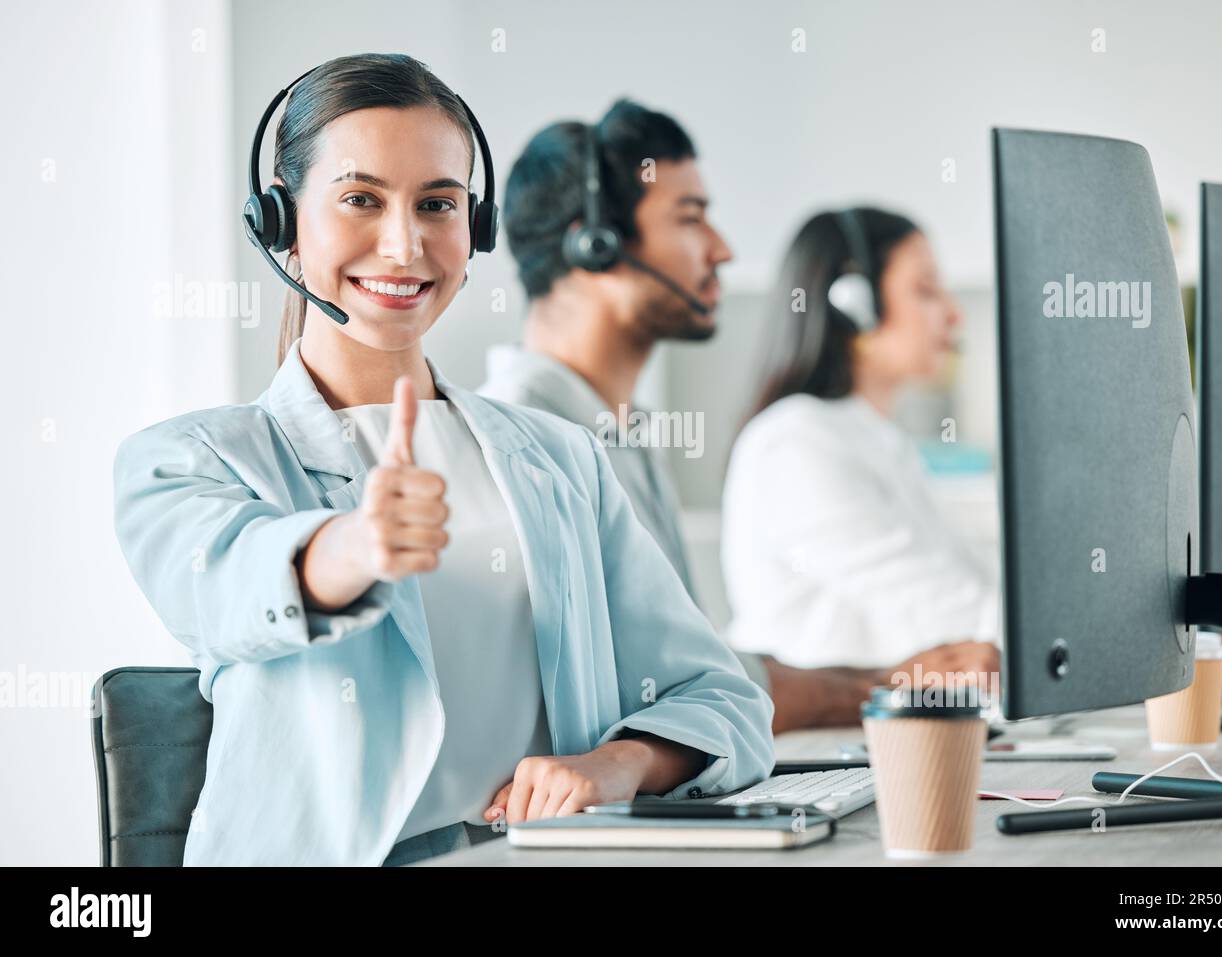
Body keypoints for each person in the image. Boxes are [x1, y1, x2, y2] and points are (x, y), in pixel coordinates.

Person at [112, 54, 773, 867]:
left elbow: (723, 700)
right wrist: (356, 545)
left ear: (476, 229)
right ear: (280, 224)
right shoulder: (187, 460)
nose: (404, 243)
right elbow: (229, 586)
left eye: (438, 204)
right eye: (360, 200)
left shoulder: (561, 457)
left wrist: (614, 765)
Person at [481, 102, 997, 732]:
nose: (722, 250)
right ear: (596, 245)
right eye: (690, 218)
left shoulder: (622, 434)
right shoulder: (518, 436)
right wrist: (885, 685)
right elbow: (632, 694)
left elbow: (688, 671)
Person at [722, 207, 1002, 674]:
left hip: (878, 734)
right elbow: (952, 611)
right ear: (855, 306)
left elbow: (974, 583)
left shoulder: (885, 444)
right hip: (813, 740)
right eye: (926, 290)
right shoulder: (796, 443)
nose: (953, 314)